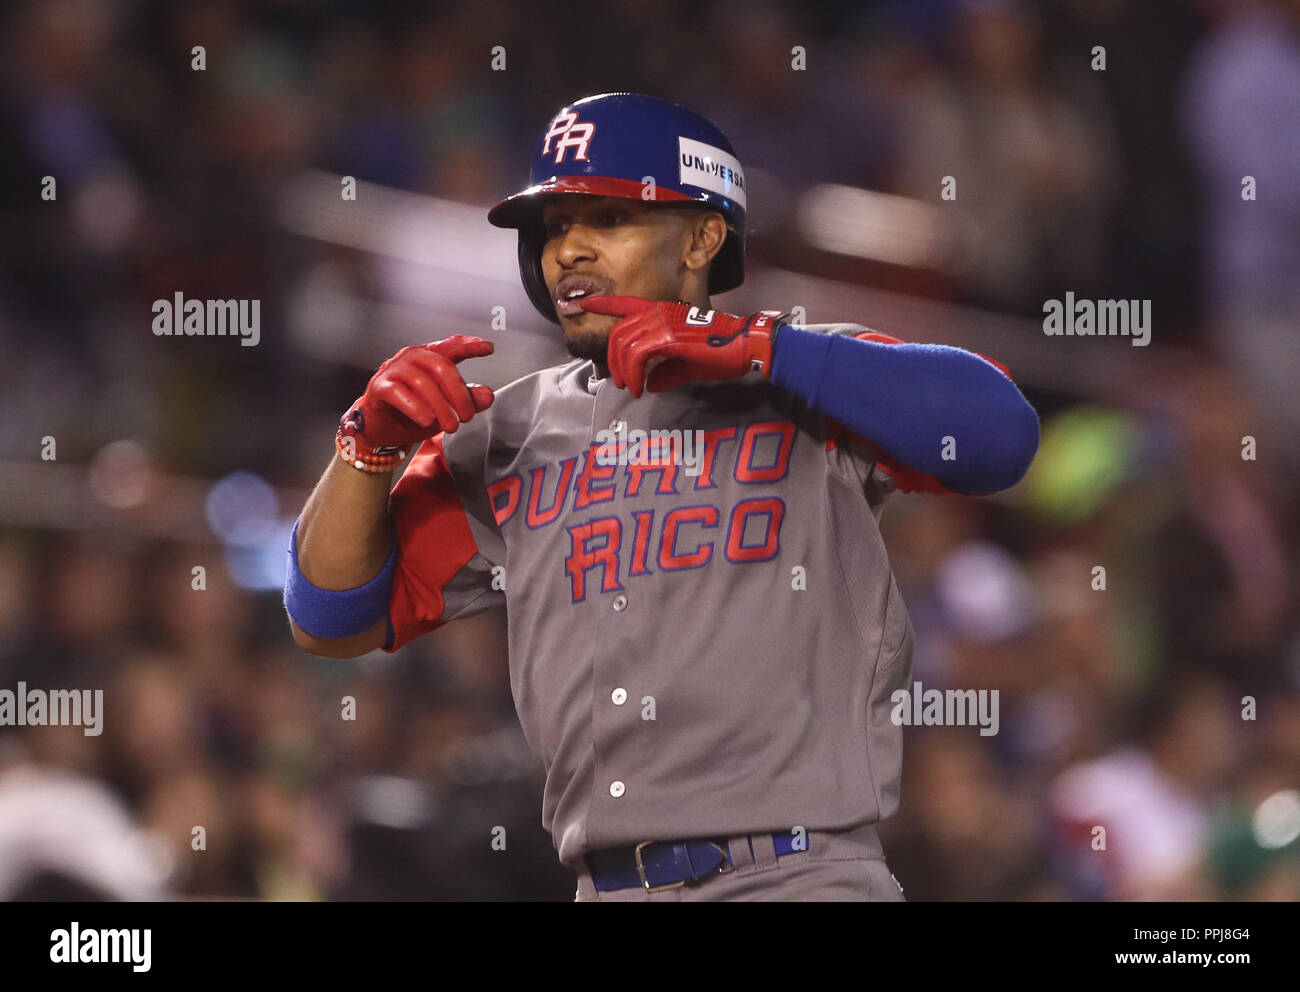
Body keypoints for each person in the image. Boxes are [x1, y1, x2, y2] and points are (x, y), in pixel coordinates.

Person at [285, 93, 1040, 901]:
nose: (568, 250)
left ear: (705, 237)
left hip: (797, 875)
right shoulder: (515, 431)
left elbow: (1002, 438)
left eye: (608, 220)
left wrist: (764, 350)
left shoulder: (805, 380)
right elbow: (330, 619)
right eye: (553, 227)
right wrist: (365, 451)